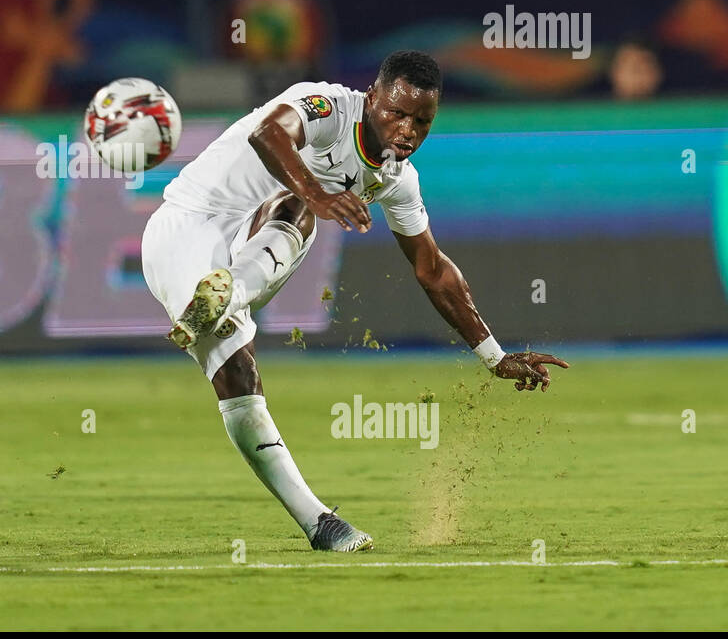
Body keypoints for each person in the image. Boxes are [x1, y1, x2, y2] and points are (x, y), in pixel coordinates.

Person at [141, 50, 568, 551]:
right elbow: (267, 134)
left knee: (242, 376)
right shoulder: (327, 107)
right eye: (397, 113)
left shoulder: (397, 181)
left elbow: (431, 268)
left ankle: (319, 525)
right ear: (372, 97)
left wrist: (494, 356)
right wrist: (319, 193)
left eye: (422, 122)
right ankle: (222, 296)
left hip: (243, 255)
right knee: (300, 205)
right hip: (185, 230)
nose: (407, 130)